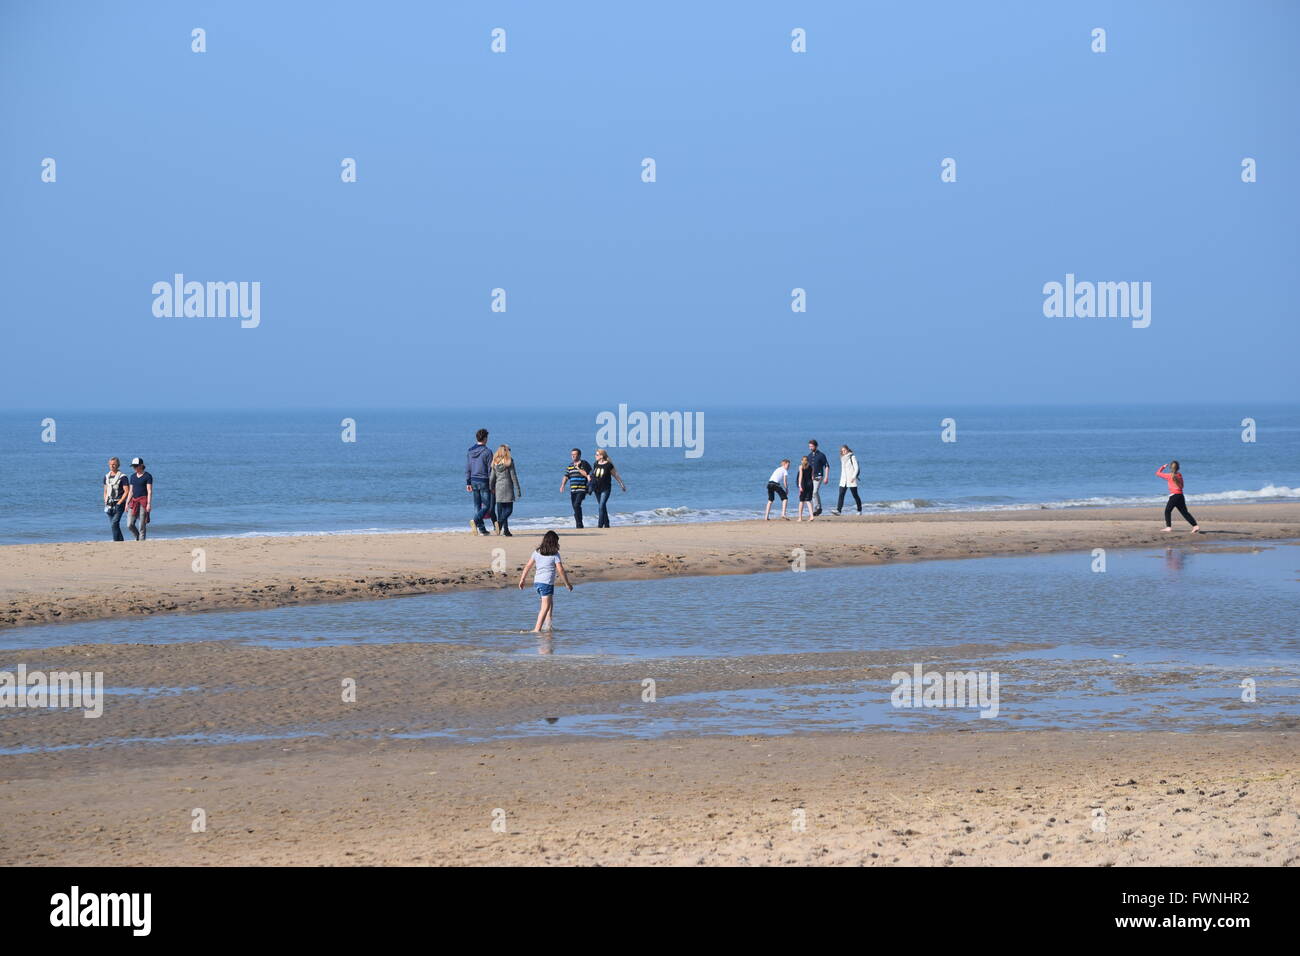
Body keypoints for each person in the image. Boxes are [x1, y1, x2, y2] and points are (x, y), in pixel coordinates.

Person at [517, 530, 574, 633]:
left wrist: (522, 579)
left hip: (537, 583)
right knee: (545, 607)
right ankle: (536, 629)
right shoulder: (555, 554)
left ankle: (548, 626)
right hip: (546, 583)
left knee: (549, 603)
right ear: (554, 542)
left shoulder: (537, 552)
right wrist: (567, 584)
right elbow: (560, 570)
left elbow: (528, 566)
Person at [1156, 461, 1200, 533]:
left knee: (1167, 511)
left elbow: (1157, 473)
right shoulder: (1179, 475)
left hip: (1174, 496)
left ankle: (1168, 527)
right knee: (1185, 513)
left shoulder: (1169, 475)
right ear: (1178, 468)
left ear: (1170, 468)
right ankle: (1195, 526)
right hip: (1180, 496)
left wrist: (1163, 467)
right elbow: (1182, 486)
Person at [488, 444, 522, 537]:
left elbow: (491, 478)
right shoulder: (509, 461)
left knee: (502, 511)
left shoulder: (495, 462)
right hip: (508, 487)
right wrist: (518, 489)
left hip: (498, 488)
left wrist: (491, 487)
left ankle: (506, 530)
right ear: (506, 451)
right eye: (509, 450)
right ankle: (499, 524)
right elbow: (513, 476)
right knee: (509, 510)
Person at [465, 428, 494, 536]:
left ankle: (482, 529)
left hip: (473, 480)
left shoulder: (470, 450)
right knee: (487, 506)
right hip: (484, 480)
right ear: (485, 438)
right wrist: (492, 483)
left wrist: (468, 482)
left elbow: (468, 467)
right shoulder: (487, 452)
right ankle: (475, 521)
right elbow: (490, 469)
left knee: (477, 506)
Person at [588, 449, 626, 528]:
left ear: (602, 456)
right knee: (602, 506)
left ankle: (600, 525)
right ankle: (607, 523)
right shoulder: (595, 464)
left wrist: (622, 484)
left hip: (606, 488)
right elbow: (593, 475)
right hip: (596, 488)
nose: (595, 456)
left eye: (597, 454)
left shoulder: (608, 465)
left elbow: (615, 475)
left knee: (601, 506)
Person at [559, 448, 591, 528]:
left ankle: (579, 524)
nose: (573, 456)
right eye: (572, 454)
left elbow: (587, 474)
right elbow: (566, 476)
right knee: (575, 507)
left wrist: (578, 468)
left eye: (575, 454)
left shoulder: (584, 464)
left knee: (577, 505)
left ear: (579, 455)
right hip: (573, 490)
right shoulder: (570, 465)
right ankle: (579, 524)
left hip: (582, 489)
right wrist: (562, 485)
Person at [125, 457, 153, 541]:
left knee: (142, 525)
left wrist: (148, 504)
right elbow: (131, 491)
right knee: (129, 524)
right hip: (133, 502)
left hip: (143, 502)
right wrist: (127, 503)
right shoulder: (133, 476)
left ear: (141, 465)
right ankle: (137, 536)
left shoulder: (148, 476)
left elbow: (149, 491)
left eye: (136, 466)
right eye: (133, 466)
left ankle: (141, 542)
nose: (135, 468)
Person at [103, 456, 129, 541]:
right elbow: (105, 490)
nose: (112, 466)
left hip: (119, 503)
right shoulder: (106, 476)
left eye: (114, 464)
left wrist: (120, 502)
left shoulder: (123, 477)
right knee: (114, 524)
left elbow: (126, 491)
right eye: (110, 464)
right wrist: (105, 500)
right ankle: (120, 541)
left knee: (114, 523)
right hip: (109, 504)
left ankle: (115, 541)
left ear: (118, 465)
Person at [834, 445, 863, 515]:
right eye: (842, 451)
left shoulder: (852, 457)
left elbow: (856, 468)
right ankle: (838, 511)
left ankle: (859, 510)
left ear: (847, 450)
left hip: (851, 479)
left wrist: (853, 477)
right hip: (843, 480)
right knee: (841, 494)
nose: (844, 452)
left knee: (855, 495)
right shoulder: (842, 458)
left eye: (845, 450)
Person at [806, 439, 831, 516]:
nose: (810, 448)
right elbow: (808, 468)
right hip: (811, 477)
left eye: (812, 446)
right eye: (809, 446)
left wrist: (826, 477)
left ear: (816, 446)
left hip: (819, 476)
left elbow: (827, 466)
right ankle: (817, 509)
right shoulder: (809, 456)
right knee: (813, 493)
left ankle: (818, 508)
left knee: (814, 491)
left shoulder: (821, 455)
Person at [795, 455, 816, 522]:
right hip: (810, 484)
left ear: (802, 461)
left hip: (804, 485)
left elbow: (800, 476)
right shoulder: (811, 467)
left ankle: (800, 518)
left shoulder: (801, 467)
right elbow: (812, 477)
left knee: (801, 501)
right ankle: (811, 516)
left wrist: (799, 485)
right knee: (808, 501)